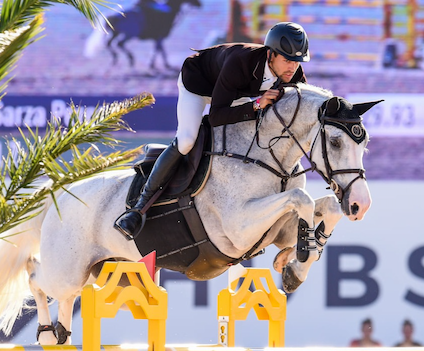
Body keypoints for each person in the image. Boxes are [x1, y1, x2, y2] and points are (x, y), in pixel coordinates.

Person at [114, 21, 311, 240]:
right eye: (287, 60)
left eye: (297, 61)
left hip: (231, 93)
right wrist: (256, 105)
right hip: (198, 85)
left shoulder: (292, 73)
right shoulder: (242, 61)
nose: (292, 67)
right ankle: (138, 208)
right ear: (270, 54)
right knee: (187, 140)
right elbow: (217, 116)